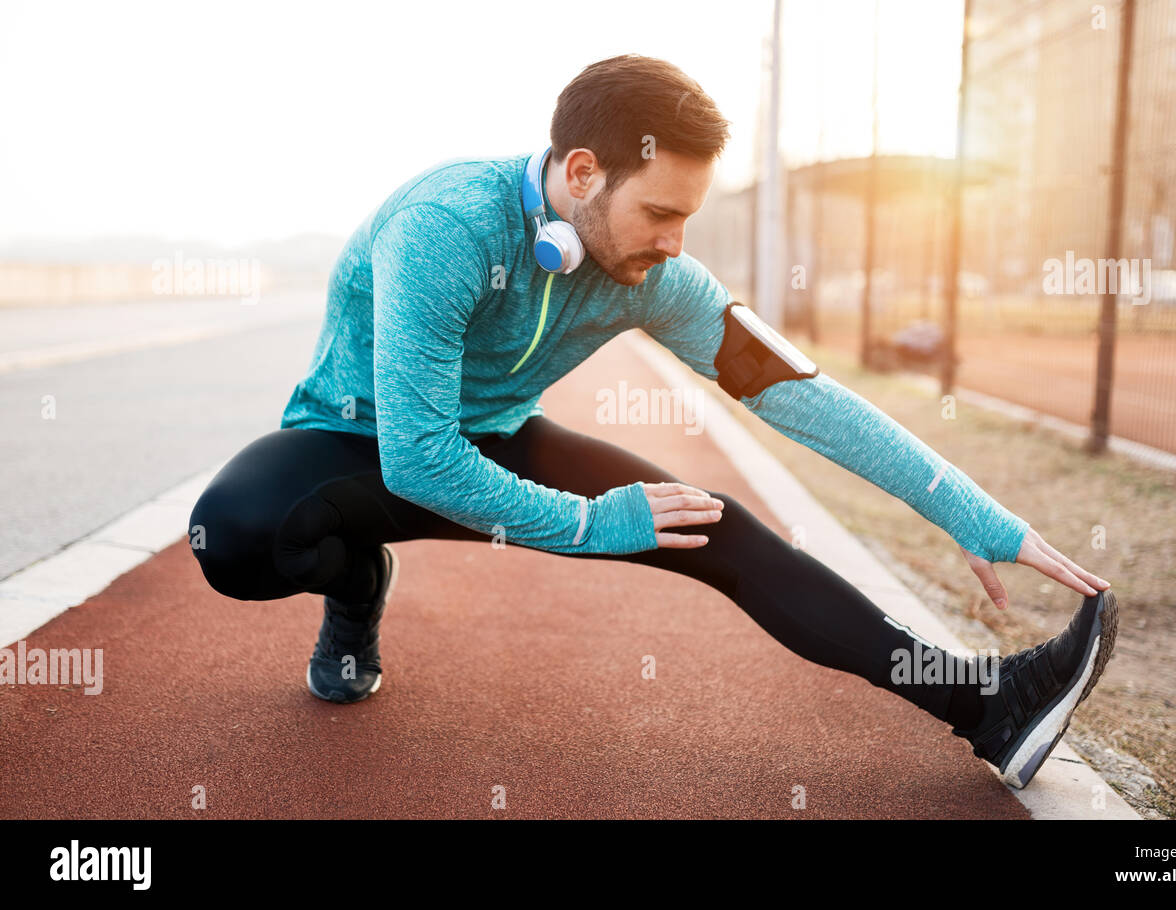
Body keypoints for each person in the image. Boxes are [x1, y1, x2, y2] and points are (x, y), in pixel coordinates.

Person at [188, 54, 1117, 790]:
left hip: (500, 436)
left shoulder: (655, 272)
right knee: (231, 537)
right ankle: (355, 591)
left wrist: (969, 513)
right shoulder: (446, 226)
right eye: (662, 212)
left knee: (716, 525)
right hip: (356, 443)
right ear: (583, 172)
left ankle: (992, 704)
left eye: (689, 217)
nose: (677, 244)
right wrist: (598, 525)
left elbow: (798, 392)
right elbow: (421, 459)